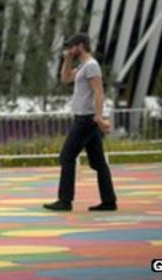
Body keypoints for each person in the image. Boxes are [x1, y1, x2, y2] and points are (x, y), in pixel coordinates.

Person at [43, 33, 118, 212]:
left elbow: (99, 92)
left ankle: (65, 200)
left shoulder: (91, 66)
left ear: (81, 46)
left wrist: (99, 117)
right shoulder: (83, 66)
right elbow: (65, 79)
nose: (69, 49)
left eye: (72, 46)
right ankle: (109, 201)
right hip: (86, 120)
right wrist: (67, 60)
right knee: (98, 163)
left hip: (85, 120)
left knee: (66, 157)